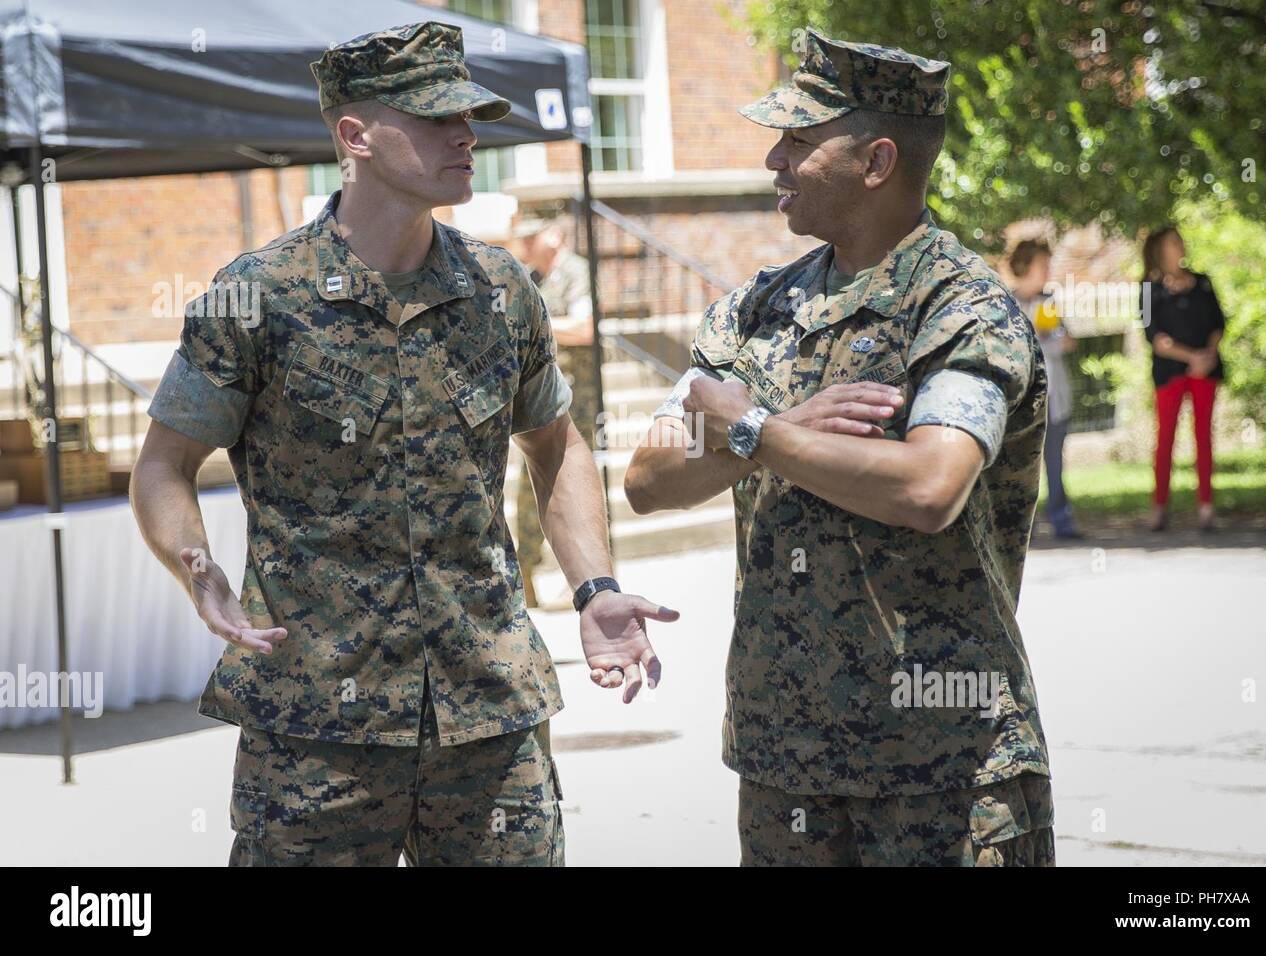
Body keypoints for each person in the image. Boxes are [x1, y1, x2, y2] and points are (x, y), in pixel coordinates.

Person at [130, 21, 676, 867]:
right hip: (317, 727)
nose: (465, 136)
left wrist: (595, 587)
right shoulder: (259, 297)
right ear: (354, 136)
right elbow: (164, 465)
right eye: (434, 118)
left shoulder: (503, 292)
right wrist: (197, 568)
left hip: (489, 714)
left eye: (470, 116)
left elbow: (556, 448)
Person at [625, 27, 1054, 866]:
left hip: (945, 764)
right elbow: (647, 477)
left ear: (878, 161)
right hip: (788, 761)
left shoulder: (962, 308)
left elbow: (929, 486)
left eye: (799, 139)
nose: (773, 160)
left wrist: (754, 428)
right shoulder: (752, 310)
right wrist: (775, 442)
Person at [512, 220, 599, 607]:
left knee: (575, 484)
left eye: (533, 235)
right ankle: (526, 572)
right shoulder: (530, 278)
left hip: (576, 399)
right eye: (522, 236)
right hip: (539, 398)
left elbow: (585, 328)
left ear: (556, 235)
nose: (525, 243)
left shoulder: (575, 272)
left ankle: (586, 579)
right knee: (527, 490)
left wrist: (535, 327)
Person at [1142, 227, 1226, 532]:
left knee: (1204, 438)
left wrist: (1208, 355)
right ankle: (1159, 507)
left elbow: (1218, 323)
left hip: (1206, 371)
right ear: (1160, 250)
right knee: (1165, 440)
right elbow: (1155, 337)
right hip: (1170, 374)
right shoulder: (1149, 290)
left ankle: (1206, 507)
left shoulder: (1202, 282)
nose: (1181, 246)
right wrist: (1192, 358)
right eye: (1174, 242)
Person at [1008, 238, 1082, 539]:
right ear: (1026, 266)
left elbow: (1062, 340)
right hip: (1022, 398)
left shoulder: (1047, 302)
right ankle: (1023, 523)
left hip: (1053, 395)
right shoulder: (1007, 303)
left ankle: (1060, 517)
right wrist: (1045, 341)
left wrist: (1049, 339)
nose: (1048, 270)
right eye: (1043, 264)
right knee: (1021, 461)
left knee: (1054, 458)